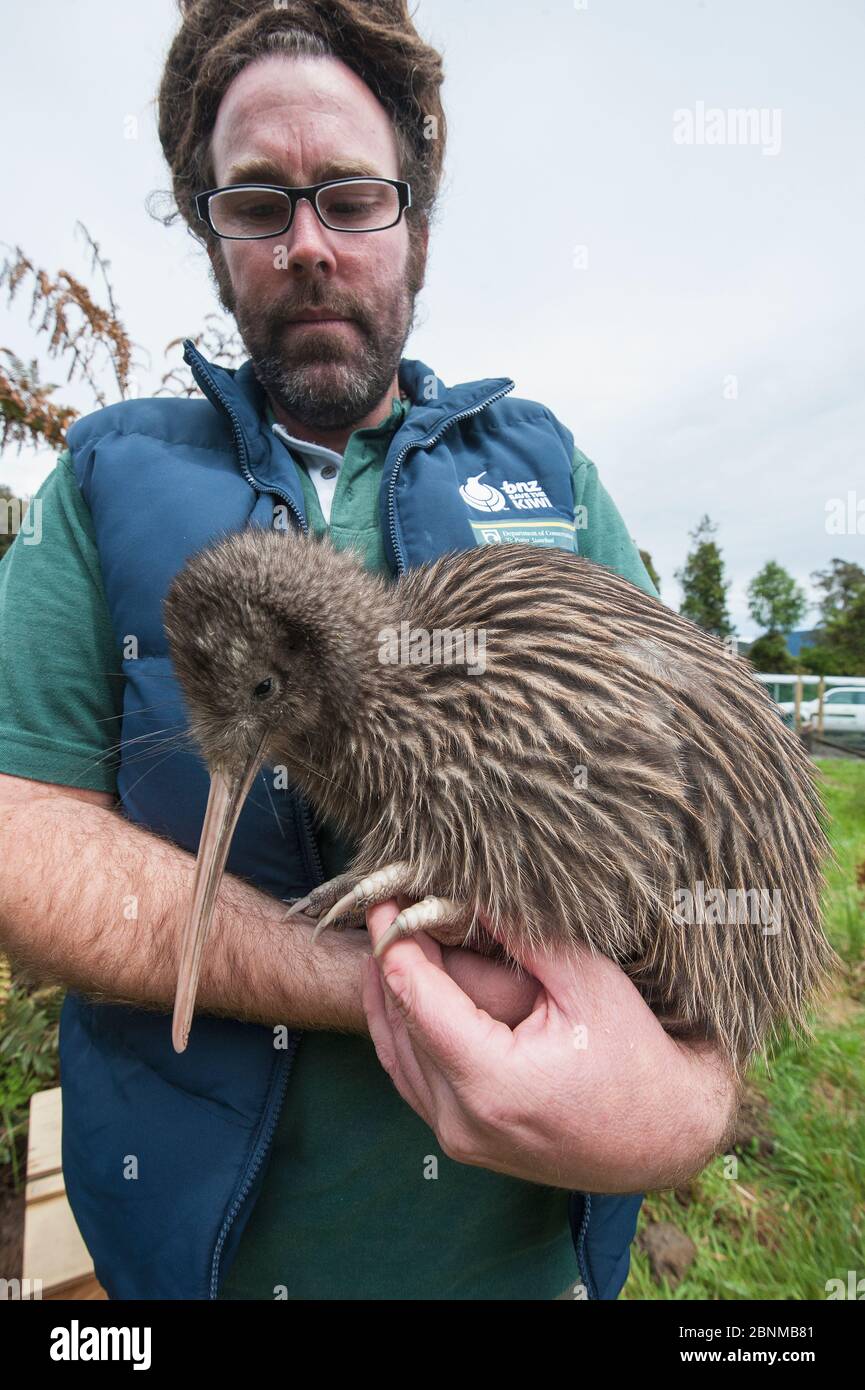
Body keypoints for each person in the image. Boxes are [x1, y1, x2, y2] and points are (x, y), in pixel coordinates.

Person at [0, 0, 735, 1301]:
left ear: (417, 224)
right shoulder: (110, 477)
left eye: (349, 197)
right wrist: (373, 974)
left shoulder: (549, 475)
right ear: (211, 229)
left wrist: (683, 1101)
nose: (305, 246)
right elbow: (19, 823)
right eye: (255, 202)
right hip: (185, 1266)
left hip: (522, 1267)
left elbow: (706, 824)